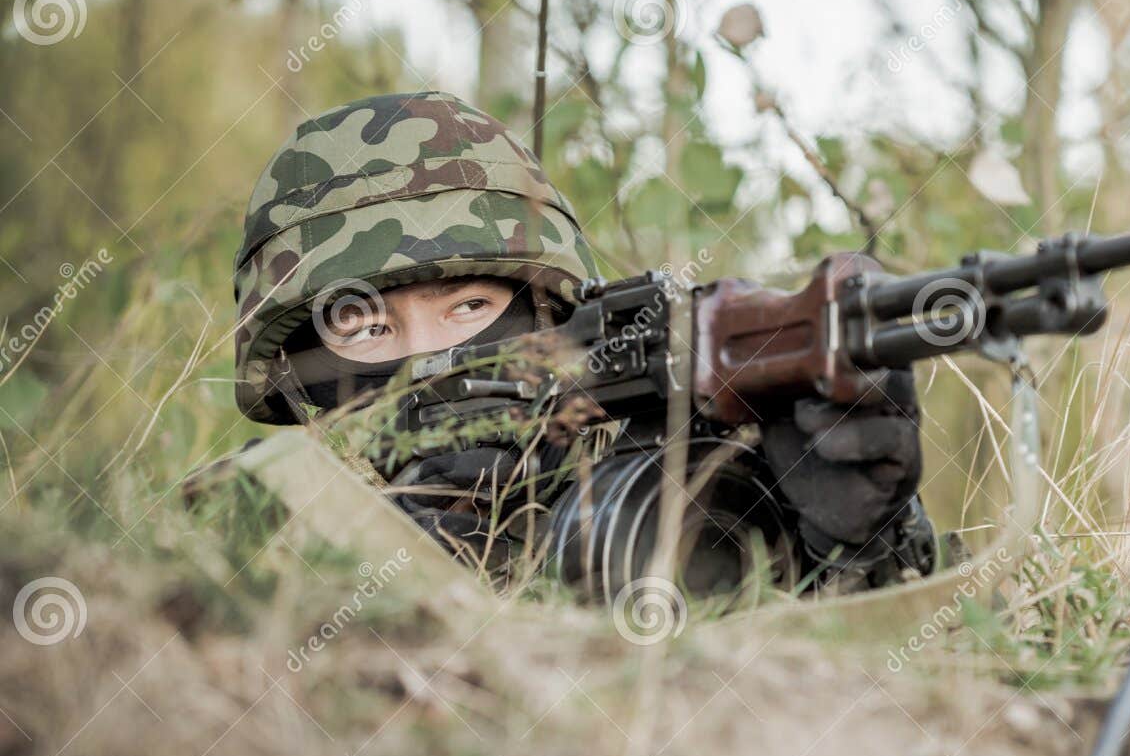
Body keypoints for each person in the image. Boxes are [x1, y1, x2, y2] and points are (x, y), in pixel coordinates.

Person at [231, 91, 935, 592]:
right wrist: (404, 551)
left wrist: (849, 548)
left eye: (469, 307)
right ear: (295, 378)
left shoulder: (651, 505)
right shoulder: (256, 533)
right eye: (370, 328)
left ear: (545, 316)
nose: (426, 359)